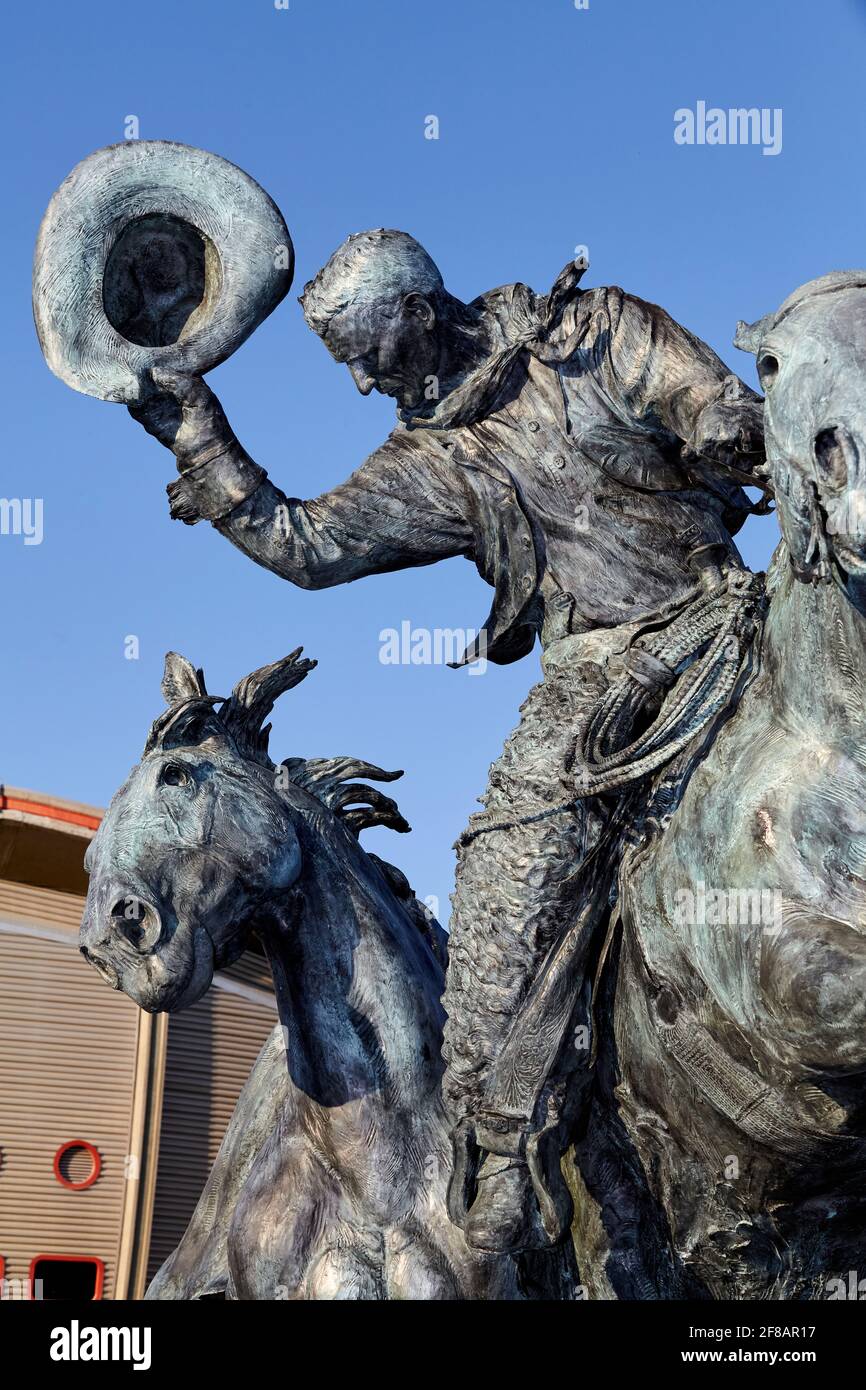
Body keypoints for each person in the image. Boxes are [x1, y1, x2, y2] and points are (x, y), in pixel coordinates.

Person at [129, 229, 768, 1252]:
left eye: (362, 351)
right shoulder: (429, 457)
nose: (355, 380)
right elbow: (309, 543)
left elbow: (712, 404)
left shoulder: (591, 333)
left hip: (724, 620)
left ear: (419, 313)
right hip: (593, 683)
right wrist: (199, 436)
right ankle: (510, 1160)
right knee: (503, 883)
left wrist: (728, 429)